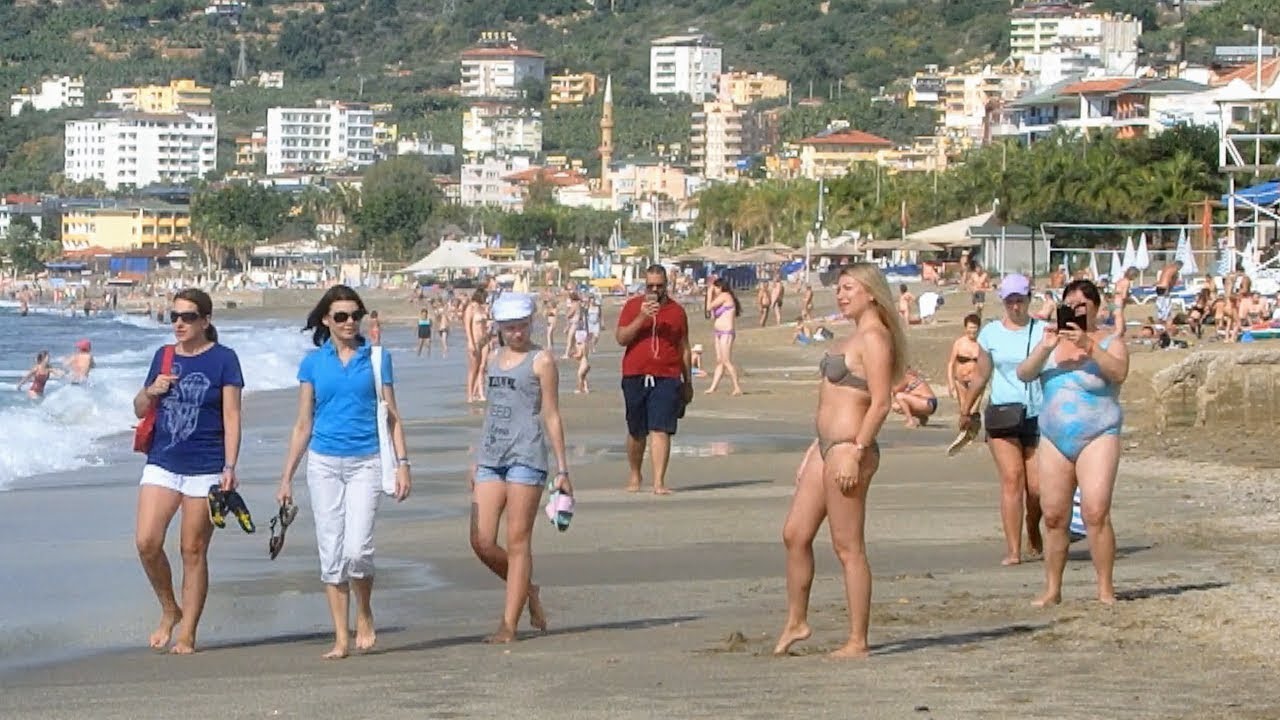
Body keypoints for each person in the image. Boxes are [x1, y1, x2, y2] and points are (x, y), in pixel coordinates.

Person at [774, 263, 908, 659]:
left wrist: (857, 451)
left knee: (848, 547)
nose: (841, 294)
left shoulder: (876, 338)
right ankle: (797, 620)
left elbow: (880, 403)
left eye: (850, 288)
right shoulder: (852, 336)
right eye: (840, 288)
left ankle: (857, 640)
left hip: (851, 448)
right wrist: (813, 450)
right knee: (795, 534)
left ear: (871, 293)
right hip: (826, 447)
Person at [277, 285, 412, 659]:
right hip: (323, 464)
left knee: (357, 550)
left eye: (356, 315)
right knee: (331, 552)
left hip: (367, 462)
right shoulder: (313, 363)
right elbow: (303, 423)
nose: (350, 322)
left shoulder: (377, 358)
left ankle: (364, 612)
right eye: (341, 316)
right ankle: (340, 637)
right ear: (326, 320)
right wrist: (286, 477)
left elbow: (393, 416)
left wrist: (403, 465)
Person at [133, 288, 243, 654]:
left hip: (206, 465)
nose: (179, 323)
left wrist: (230, 466)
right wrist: (152, 390)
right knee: (147, 542)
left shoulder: (224, 359)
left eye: (188, 317)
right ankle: (170, 609)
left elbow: (232, 416)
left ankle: (188, 633)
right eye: (174, 317)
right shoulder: (163, 356)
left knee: (192, 549)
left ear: (206, 321)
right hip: (163, 460)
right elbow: (139, 408)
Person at [1017, 279, 1128, 606]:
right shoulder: (1049, 341)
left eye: (1083, 305)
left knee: (1095, 511)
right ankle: (1052, 589)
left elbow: (1119, 373)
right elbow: (1024, 373)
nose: (1076, 311)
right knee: (1053, 515)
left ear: (1096, 307)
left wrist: (1089, 346)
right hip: (1054, 437)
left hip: (1098, 434)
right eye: (1070, 305)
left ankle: (1105, 589)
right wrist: (1045, 347)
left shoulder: (1110, 341)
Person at [470, 293, 571, 643]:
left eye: (522, 326)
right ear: (499, 327)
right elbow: (492, 410)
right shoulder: (492, 358)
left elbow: (552, 414)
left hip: (526, 456)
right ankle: (528, 589)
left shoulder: (541, 360)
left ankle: (508, 626)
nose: (517, 333)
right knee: (481, 540)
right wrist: (477, 458)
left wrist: (562, 469)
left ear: (531, 323)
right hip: (490, 456)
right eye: (510, 327)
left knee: (517, 541)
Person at [971, 273, 1045, 566]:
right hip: (1003, 412)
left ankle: (1032, 525)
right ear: (1003, 301)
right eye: (1010, 301)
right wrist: (967, 409)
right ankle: (1013, 549)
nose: (1016, 306)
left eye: (1020, 300)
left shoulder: (1043, 331)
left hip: (1038, 412)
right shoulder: (990, 333)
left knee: (1037, 489)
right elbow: (981, 374)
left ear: (1029, 299)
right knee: (1012, 479)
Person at [615, 264, 693, 495]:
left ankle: (659, 481)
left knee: (661, 428)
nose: (655, 290)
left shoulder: (677, 312)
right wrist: (642, 316)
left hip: (667, 375)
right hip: (635, 374)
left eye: (659, 286)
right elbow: (621, 338)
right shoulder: (632, 306)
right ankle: (635, 473)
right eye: (650, 286)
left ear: (667, 285)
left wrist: (688, 381)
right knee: (637, 431)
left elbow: (684, 348)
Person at [945, 314, 983, 453]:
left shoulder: (982, 344)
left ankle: (973, 430)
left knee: (974, 410)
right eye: (970, 328)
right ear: (965, 328)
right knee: (964, 410)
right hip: (960, 380)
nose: (972, 331)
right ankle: (963, 433)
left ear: (979, 328)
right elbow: (950, 364)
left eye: (975, 328)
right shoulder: (959, 343)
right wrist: (950, 383)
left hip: (977, 381)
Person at [705, 278, 744, 396]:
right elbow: (711, 315)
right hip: (718, 332)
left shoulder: (725, 296)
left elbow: (708, 307)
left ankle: (737, 387)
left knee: (726, 360)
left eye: (715, 288)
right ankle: (713, 387)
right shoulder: (720, 298)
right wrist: (712, 295)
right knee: (719, 361)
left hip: (726, 332)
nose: (714, 290)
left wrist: (709, 293)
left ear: (720, 287)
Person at [464, 288, 491, 403]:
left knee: (482, 367)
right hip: (475, 340)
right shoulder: (471, 308)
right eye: (485, 297)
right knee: (473, 368)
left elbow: (487, 323)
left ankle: (480, 393)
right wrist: (470, 342)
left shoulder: (483, 308)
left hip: (485, 340)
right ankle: (470, 395)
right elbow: (467, 326)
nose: (486, 299)